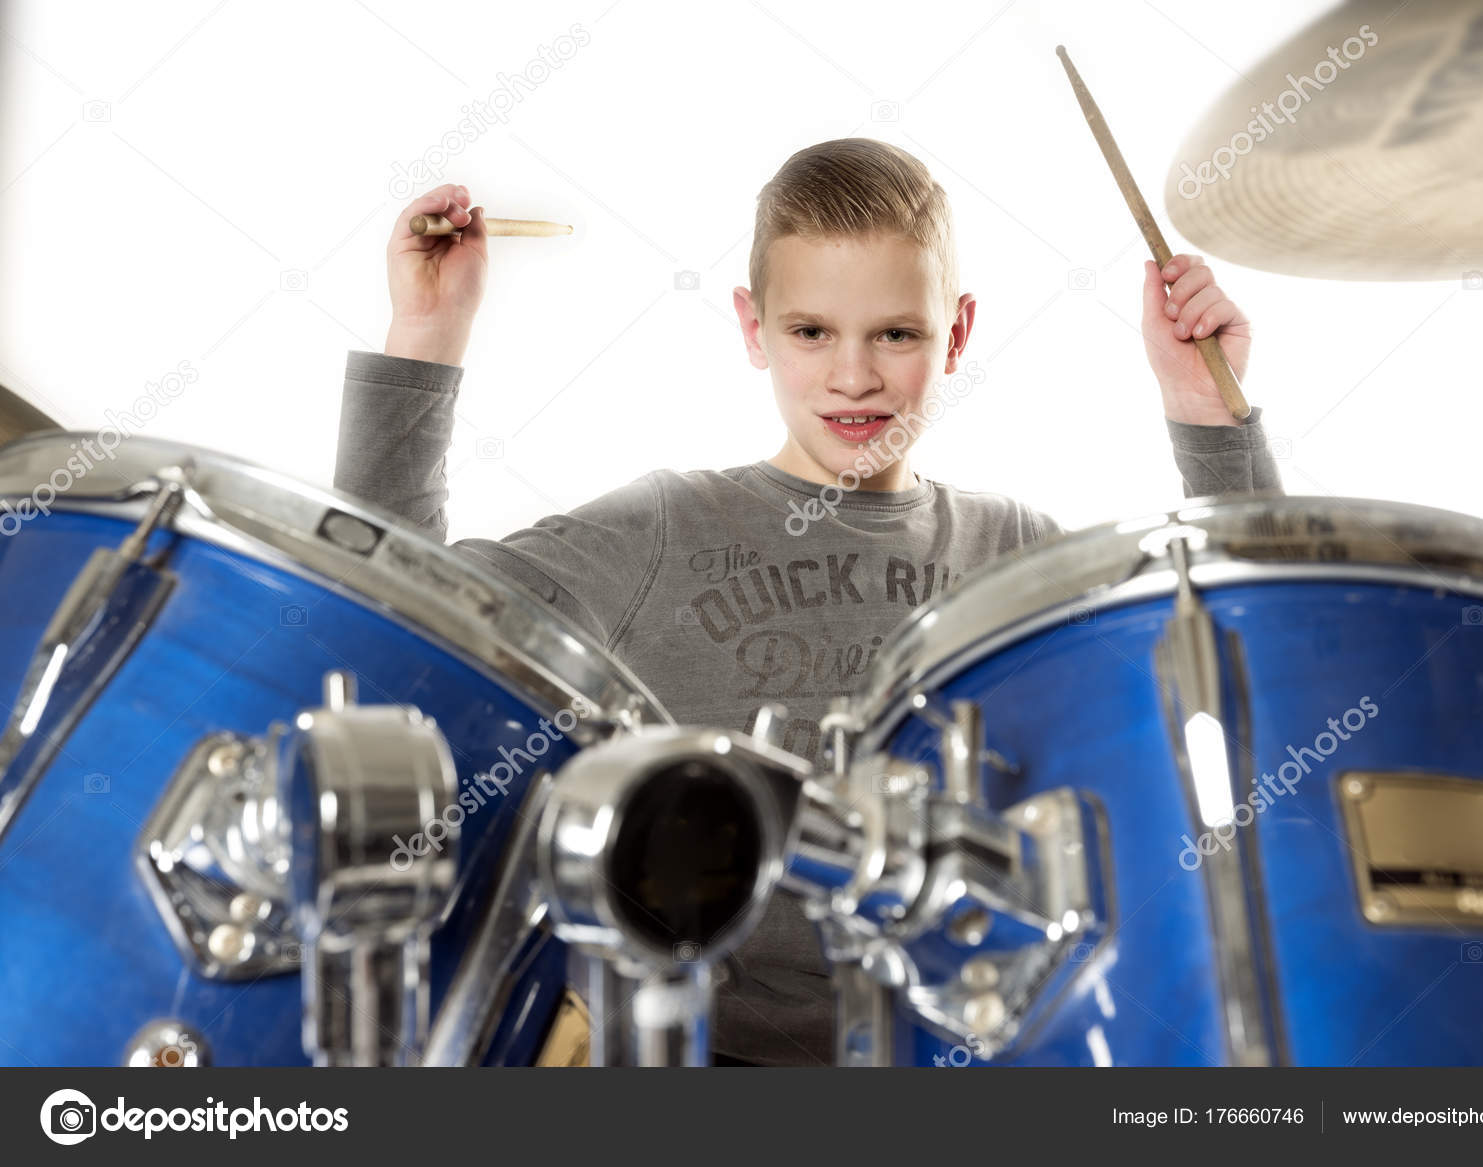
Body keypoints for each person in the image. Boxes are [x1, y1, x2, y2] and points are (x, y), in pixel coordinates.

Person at [335, 138, 1281, 1066]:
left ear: (956, 332)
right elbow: (397, 610)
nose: (854, 375)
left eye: (897, 334)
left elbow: (1253, 689)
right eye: (812, 331)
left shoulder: (1020, 552)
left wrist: (1211, 420)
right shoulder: (668, 526)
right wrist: (427, 335)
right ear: (755, 327)